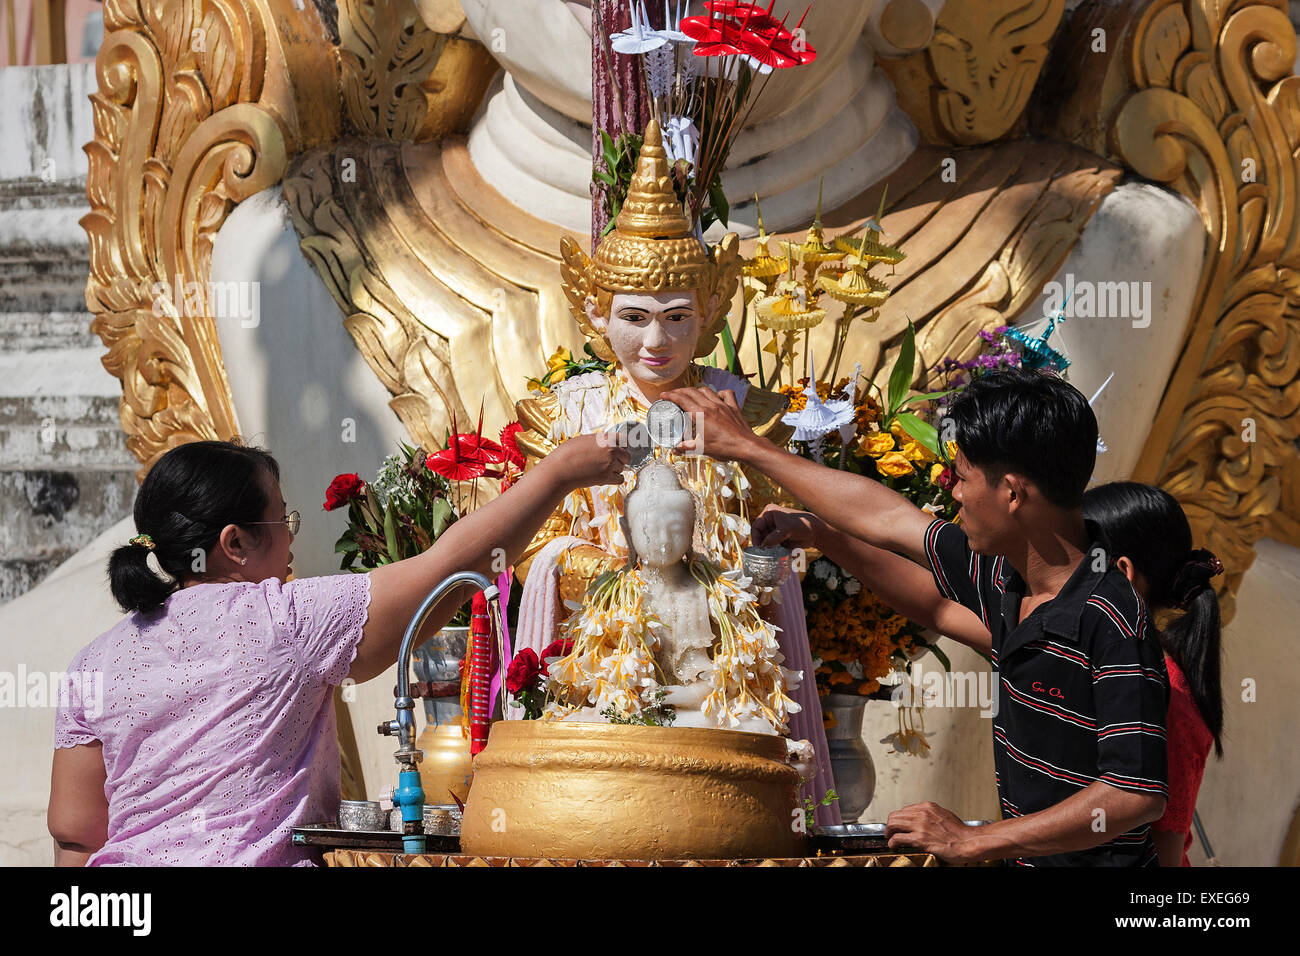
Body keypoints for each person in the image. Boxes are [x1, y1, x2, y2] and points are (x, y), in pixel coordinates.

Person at [665, 367, 1170, 866]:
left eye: (964, 478)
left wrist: (977, 840)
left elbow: (1134, 794)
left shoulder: (1111, 619)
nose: (954, 493)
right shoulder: (1005, 576)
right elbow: (901, 542)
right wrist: (822, 533)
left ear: (1012, 494)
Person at [47, 434, 627, 866]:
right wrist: (560, 473)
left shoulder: (93, 662)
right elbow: (450, 568)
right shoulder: (283, 620)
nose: (294, 536)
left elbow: (74, 832)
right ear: (235, 543)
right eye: (283, 518)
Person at [755, 481, 1223, 866]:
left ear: (1119, 573)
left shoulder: (1163, 692)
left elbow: (1155, 839)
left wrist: (976, 841)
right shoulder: (1059, 636)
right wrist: (825, 536)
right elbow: (937, 607)